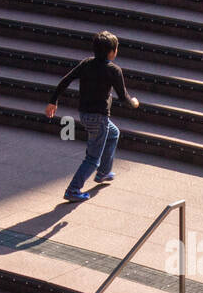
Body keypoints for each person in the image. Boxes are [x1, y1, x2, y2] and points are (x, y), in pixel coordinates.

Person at [45, 30, 140, 202]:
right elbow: (123, 96)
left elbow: (66, 80)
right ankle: (73, 190)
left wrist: (53, 101)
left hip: (85, 114)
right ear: (112, 52)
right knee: (92, 159)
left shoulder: (87, 63)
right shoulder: (114, 70)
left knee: (113, 134)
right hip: (99, 118)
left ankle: (104, 172)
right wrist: (134, 102)